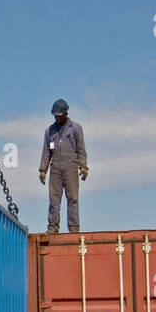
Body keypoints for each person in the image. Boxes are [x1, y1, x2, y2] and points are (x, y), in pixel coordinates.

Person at [39, 99, 88, 234]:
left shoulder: (76, 128)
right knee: (54, 200)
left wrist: (83, 166)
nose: (57, 118)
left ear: (65, 114)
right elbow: (46, 151)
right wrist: (43, 170)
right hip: (55, 169)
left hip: (71, 168)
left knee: (72, 198)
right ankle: (53, 228)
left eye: (59, 115)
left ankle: (74, 228)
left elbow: (81, 149)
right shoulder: (50, 131)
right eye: (55, 116)